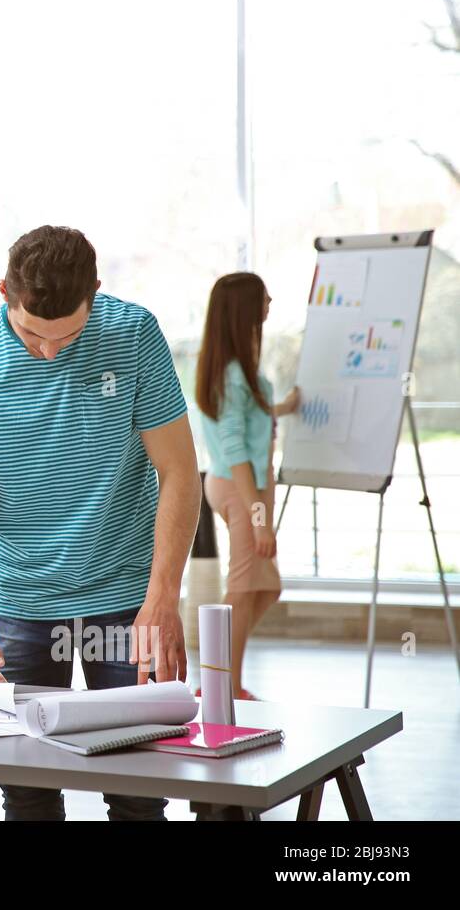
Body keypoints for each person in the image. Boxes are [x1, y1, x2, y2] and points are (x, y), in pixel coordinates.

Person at [0, 225, 201, 820]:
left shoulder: (133, 336)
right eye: (31, 333)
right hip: (18, 602)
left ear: (96, 292)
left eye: (69, 335)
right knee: (26, 787)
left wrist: (164, 597)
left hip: (127, 598)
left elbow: (180, 473)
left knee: (138, 787)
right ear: (4, 290)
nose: (50, 351)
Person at [194, 272, 299, 701]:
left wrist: (282, 407)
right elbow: (235, 449)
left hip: (245, 488)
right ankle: (224, 685)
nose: (270, 300)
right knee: (241, 588)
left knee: (265, 587)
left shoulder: (235, 369)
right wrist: (259, 519)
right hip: (241, 490)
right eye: (262, 297)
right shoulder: (233, 374)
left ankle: (220, 675)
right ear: (242, 309)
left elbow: (245, 423)